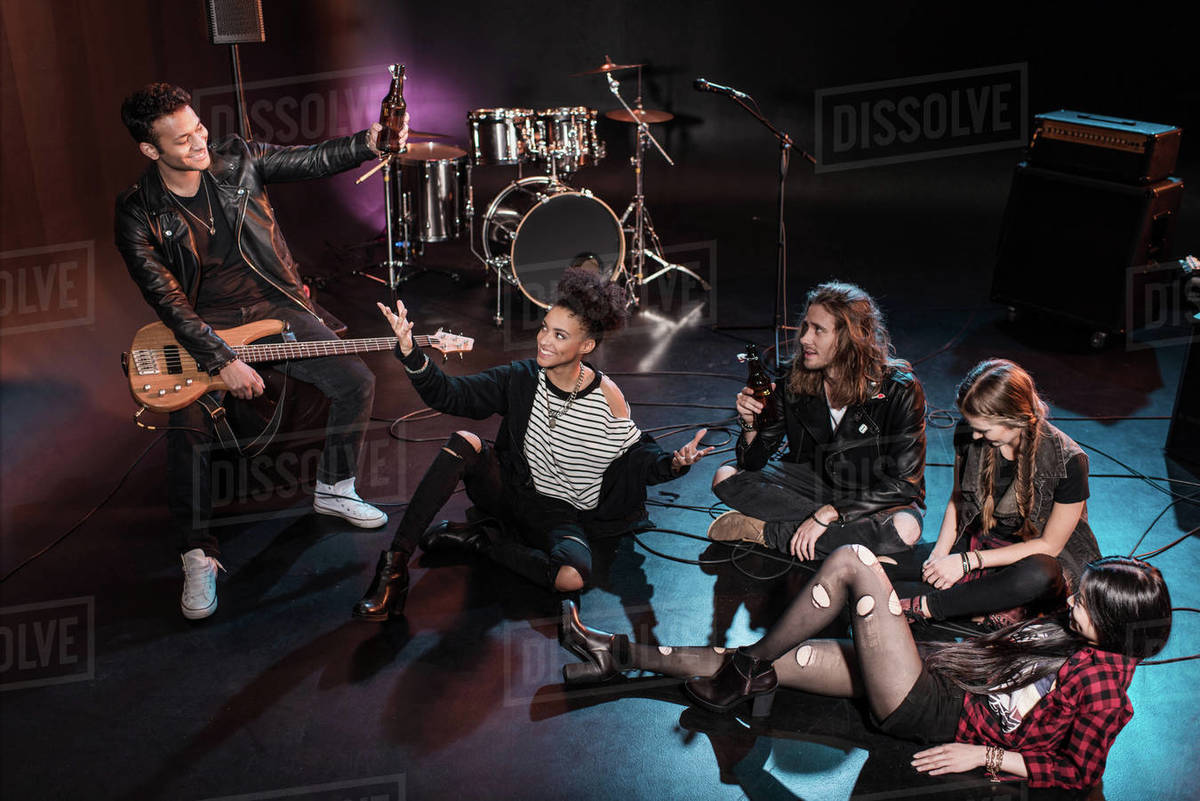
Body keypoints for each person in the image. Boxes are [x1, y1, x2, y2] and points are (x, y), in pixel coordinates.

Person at [114, 82, 405, 619]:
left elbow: (313, 159)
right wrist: (221, 359)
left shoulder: (237, 160)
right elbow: (167, 300)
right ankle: (197, 553)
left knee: (356, 380)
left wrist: (370, 141)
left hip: (274, 305)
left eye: (198, 128)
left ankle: (334, 487)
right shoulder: (138, 211)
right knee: (188, 423)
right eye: (182, 140)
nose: (199, 142)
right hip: (206, 324)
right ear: (150, 150)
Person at [560, 547, 1172, 791]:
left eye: (1087, 603)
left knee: (854, 562)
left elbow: (1079, 772)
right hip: (941, 672)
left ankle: (744, 668)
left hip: (928, 706)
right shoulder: (1074, 634)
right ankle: (617, 655)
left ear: (1117, 623)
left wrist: (984, 756)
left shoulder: (1105, 688)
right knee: (783, 660)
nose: (1073, 601)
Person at [353, 268, 713, 621]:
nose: (544, 340)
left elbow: (638, 458)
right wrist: (411, 354)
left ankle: (483, 542)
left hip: (559, 516)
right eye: (544, 328)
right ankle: (394, 569)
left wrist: (674, 463)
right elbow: (451, 395)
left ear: (586, 346)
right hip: (512, 492)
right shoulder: (521, 378)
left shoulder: (607, 397)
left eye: (559, 335)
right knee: (464, 442)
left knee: (570, 578)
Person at [708, 281, 926, 560]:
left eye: (818, 330)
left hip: (872, 493)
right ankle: (852, 543)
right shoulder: (793, 378)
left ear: (849, 338)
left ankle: (769, 533)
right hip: (814, 483)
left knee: (906, 528)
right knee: (725, 477)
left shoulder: (900, 389)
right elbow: (753, 462)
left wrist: (830, 513)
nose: (804, 339)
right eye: (806, 327)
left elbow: (905, 484)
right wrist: (750, 424)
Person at [893, 358, 1100, 628]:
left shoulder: (1069, 461)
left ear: (1014, 420)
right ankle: (981, 605)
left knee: (1039, 574)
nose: (975, 436)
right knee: (886, 565)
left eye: (984, 430)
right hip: (983, 542)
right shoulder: (969, 433)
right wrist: (940, 555)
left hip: (1031, 559)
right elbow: (958, 499)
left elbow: (1050, 545)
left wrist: (967, 562)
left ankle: (929, 606)